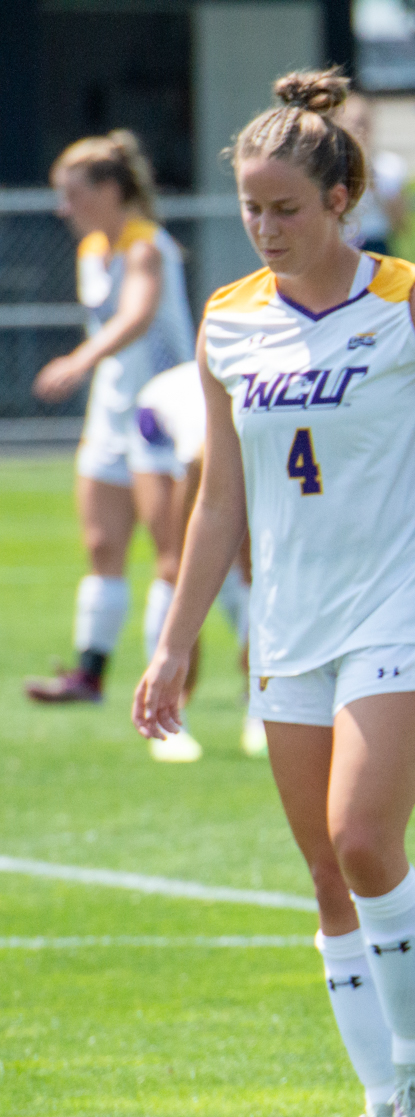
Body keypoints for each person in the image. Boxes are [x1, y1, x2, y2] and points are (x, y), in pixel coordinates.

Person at [133, 69, 415, 1117]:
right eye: (251, 208)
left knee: (364, 840)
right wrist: (175, 641)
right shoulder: (227, 322)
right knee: (325, 875)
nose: (266, 228)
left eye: (286, 207)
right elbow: (219, 499)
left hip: (404, 608)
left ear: (342, 199)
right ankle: (375, 1102)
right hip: (288, 626)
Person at [26, 132, 195, 714]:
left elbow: (138, 315)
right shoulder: (91, 249)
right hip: (111, 413)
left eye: (72, 194)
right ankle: (89, 674)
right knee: (102, 544)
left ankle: (187, 681)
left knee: (178, 556)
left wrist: (78, 360)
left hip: (163, 417)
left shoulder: (146, 246)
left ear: (109, 189)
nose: (63, 208)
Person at [133, 360, 265, 759]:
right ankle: (170, 717)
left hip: (233, 451)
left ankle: (261, 707)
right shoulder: (197, 436)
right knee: (174, 567)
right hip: (161, 432)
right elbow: (207, 504)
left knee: (253, 569)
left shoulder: (256, 418)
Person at [337, 96, 410, 256]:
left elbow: (401, 224)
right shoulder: (332, 167)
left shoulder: (390, 165)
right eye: (352, 124)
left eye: (363, 123)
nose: (358, 131)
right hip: (342, 245)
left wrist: (372, 179)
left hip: (377, 244)